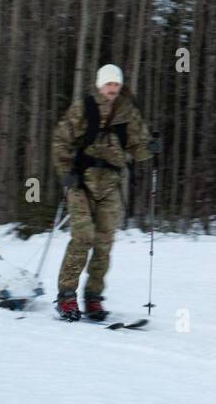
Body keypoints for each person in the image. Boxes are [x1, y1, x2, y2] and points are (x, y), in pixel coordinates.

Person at [52, 64, 161, 321]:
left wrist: (151, 148)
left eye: (116, 84)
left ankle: (93, 298)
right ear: (100, 85)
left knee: (104, 242)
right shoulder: (84, 108)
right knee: (83, 236)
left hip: (111, 182)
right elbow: (61, 139)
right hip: (82, 180)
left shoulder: (128, 113)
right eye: (108, 84)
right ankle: (66, 296)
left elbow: (138, 148)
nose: (112, 89)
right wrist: (65, 171)